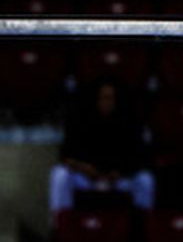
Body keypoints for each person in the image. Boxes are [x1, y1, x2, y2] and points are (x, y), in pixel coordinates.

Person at [48, 80, 154, 218]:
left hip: (118, 179)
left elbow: (139, 157)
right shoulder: (81, 120)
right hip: (87, 178)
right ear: (96, 99)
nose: (107, 102)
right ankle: (60, 223)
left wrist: (120, 172)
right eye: (104, 97)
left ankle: (144, 225)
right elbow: (66, 156)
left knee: (145, 180)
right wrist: (84, 168)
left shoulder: (128, 121)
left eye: (110, 98)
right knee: (59, 175)